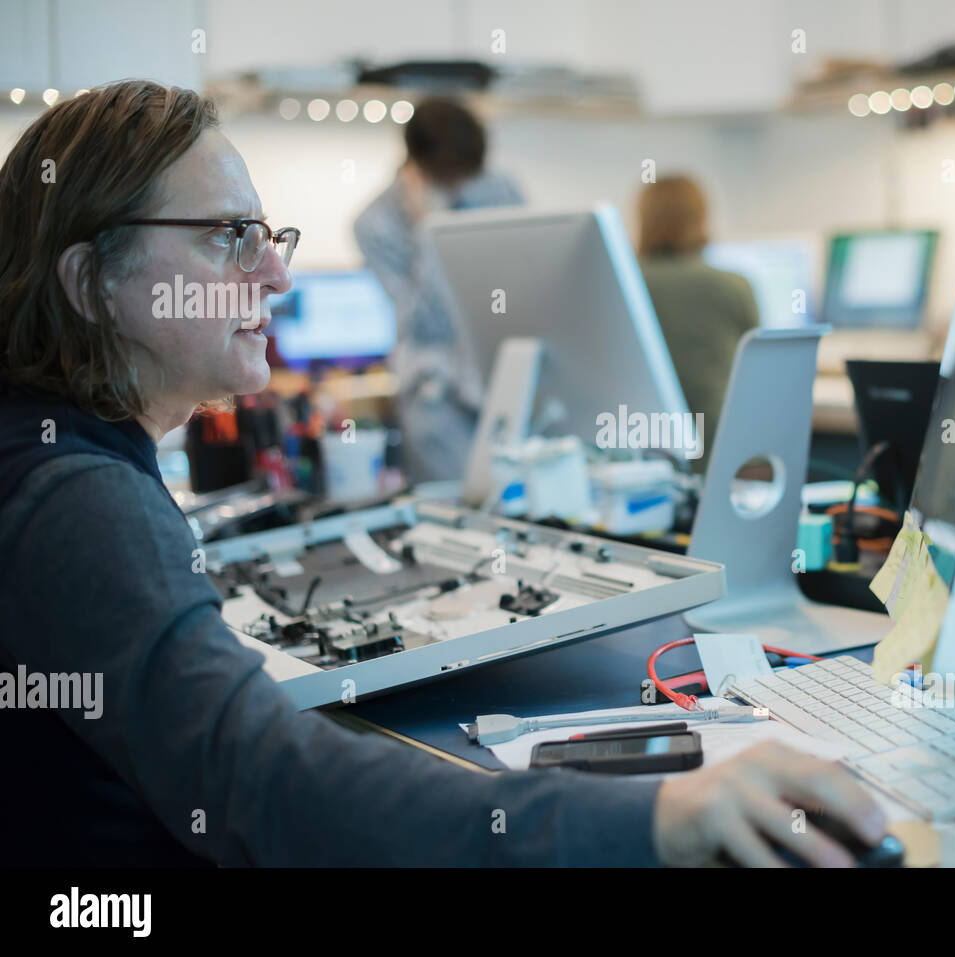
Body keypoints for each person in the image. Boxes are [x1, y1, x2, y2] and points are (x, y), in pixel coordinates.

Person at [0, 80, 886, 867]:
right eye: (230, 237)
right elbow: (270, 788)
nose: (276, 272)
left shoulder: (55, 458)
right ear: (91, 283)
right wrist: (652, 818)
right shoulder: (80, 501)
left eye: (267, 236)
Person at [353, 98, 524, 484]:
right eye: (450, 177)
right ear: (420, 165)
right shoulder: (376, 224)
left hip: (505, 385)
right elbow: (429, 325)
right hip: (438, 401)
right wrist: (430, 228)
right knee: (458, 524)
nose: (462, 185)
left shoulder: (500, 191)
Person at [636, 176, 760, 470]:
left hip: (645, 451)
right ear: (700, 218)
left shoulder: (624, 282)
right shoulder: (733, 285)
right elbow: (759, 372)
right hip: (721, 450)